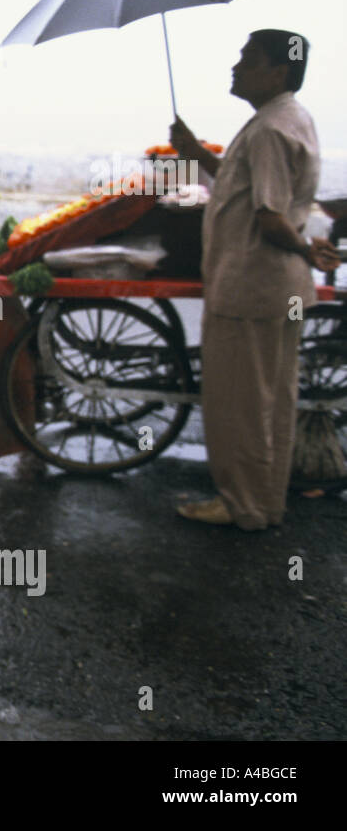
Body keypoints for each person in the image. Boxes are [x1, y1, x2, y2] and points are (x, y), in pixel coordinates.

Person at [170, 30, 339, 529]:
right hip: (277, 290)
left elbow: (268, 217)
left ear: (278, 71)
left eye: (247, 59)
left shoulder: (268, 129)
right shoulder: (288, 117)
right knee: (271, 398)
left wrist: (308, 249)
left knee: (239, 402)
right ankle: (263, 503)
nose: (236, 67)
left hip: (251, 287)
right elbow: (247, 190)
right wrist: (197, 152)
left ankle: (242, 505)